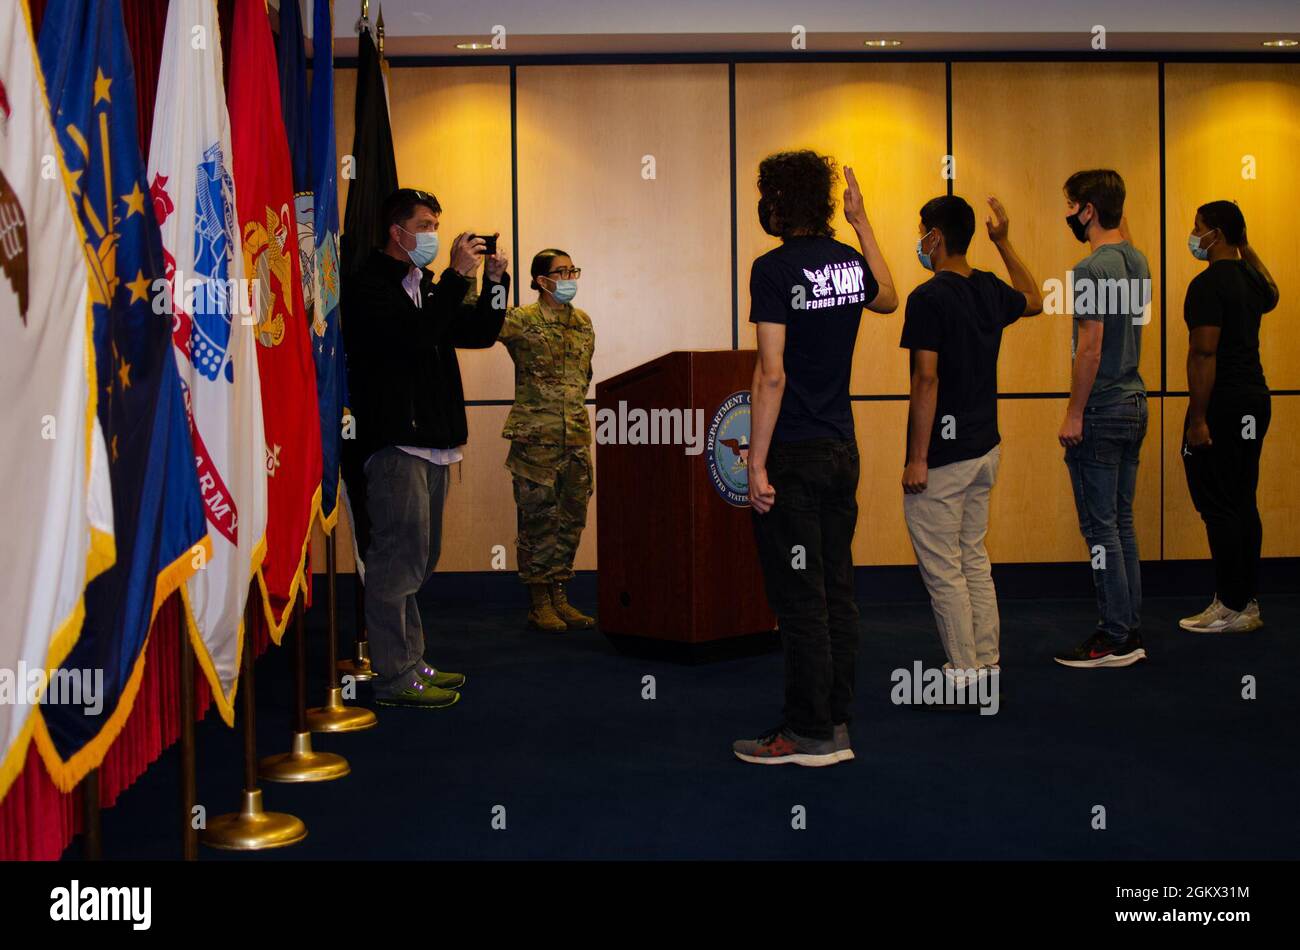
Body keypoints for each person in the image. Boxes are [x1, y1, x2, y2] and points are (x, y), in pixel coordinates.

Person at [734, 150, 898, 767]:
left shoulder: (771, 269)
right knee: (836, 591)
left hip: (796, 455)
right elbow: (888, 297)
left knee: (800, 600)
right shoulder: (849, 263)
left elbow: (770, 376)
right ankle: (834, 721)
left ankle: (807, 735)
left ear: (779, 202)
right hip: (841, 448)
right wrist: (861, 224)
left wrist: (756, 464)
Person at [341, 188, 510, 707]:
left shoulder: (425, 286)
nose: (434, 235)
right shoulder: (370, 285)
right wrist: (457, 279)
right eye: (426, 224)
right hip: (394, 443)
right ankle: (394, 676)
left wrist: (496, 284)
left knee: (421, 557)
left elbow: (481, 333)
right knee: (397, 559)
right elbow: (415, 336)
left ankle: (410, 659)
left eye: (438, 224)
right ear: (398, 232)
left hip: (432, 442)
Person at [900, 195, 1043, 690]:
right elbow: (1035, 298)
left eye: (922, 233)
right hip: (985, 448)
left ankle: (963, 672)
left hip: (943, 457)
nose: (919, 243)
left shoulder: (928, 298)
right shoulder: (987, 289)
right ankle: (986, 661)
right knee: (973, 557)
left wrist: (917, 458)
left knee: (944, 568)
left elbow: (926, 380)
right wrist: (1003, 243)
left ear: (935, 238)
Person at [1054, 169, 1151, 669]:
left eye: (1072, 205)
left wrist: (1074, 413)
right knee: (1123, 524)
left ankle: (1114, 636)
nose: (1067, 214)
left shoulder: (1092, 269)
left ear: (1088, 210)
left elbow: (1089, 348)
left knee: (1100, 529)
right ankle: (1128, 626)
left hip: (1103, 408)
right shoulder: (1138, 260)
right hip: (1135, 403)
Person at [1179, 201, 1278, 634]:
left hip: (1223, 403)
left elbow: (1204, 352)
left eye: (1199, 228)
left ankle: (1231, 605)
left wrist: (1198, 419)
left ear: (1216, 234)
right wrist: (1245, 243)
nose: (1194, 235)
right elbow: (1273, 291)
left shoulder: (1206, 286)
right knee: (1242, 499)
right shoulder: (1252, 281)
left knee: (1218, 503)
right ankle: (1245, 602)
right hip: (1255, 400)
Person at [497, 249, 596, 633]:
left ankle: (560, 595)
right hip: (535, 440)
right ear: (541, 280)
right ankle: (539, 601)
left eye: (574, 269)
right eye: (562, 271)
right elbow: (479, 319)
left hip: (575, 438)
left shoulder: (584, 322)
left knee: (571, 520)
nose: (570, 276)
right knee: (538, 521)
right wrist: (487, 277)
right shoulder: (522, 320)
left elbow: (585, 376)